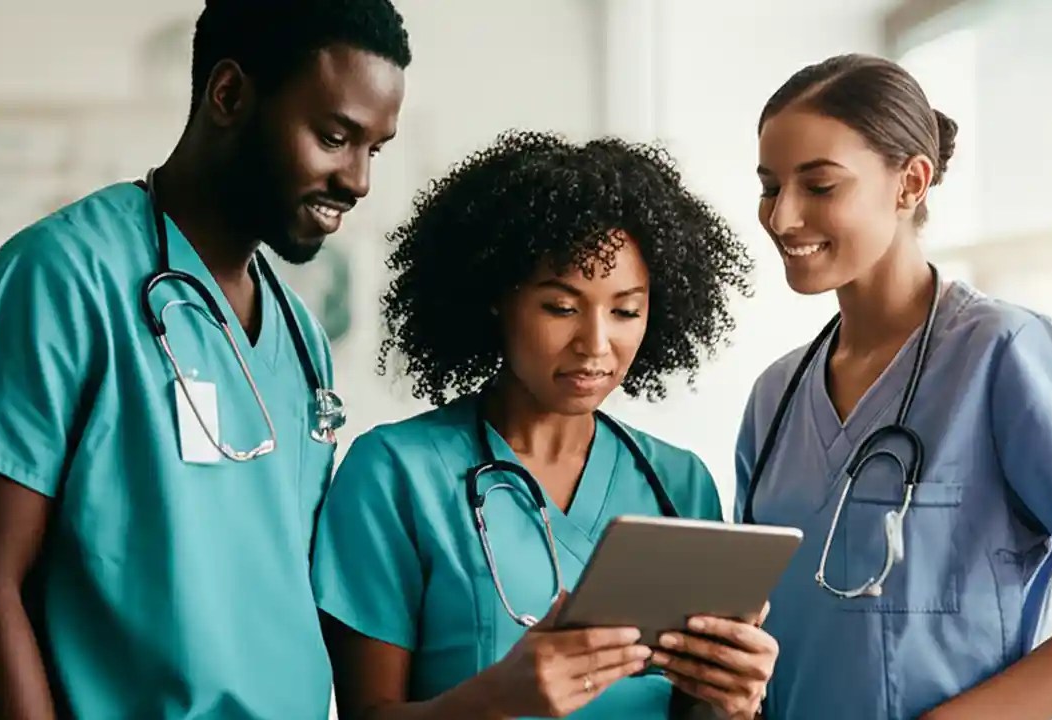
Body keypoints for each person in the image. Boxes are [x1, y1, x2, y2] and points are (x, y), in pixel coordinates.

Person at [0, 1, 409, 717]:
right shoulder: (62, 278)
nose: (357, 179)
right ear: (229, 95)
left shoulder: (302, 339)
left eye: (375, 149)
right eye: (335, 136)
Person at [735, 53, 1052, 719]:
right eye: (771, 187)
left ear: (911, 182)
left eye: (820, 186)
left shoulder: (1001, 352)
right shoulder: (775, 395)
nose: (782, 217)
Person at [312, 130, 775, 719]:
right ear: (494, 299)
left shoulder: (679, 484)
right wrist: (497, 698)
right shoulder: (396, 473)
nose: (596, 344)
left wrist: (734, 704)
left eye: (626, 310)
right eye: (561, 307)